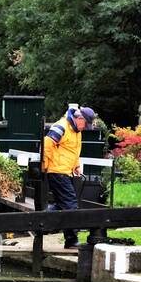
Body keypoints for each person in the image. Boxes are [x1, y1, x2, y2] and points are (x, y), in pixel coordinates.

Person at [43, 105, 95, 250]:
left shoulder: (76, 130)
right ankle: (71, 241)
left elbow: (73, 150)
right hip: (57, 171)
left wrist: (76, 165)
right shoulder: (61, 126)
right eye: (86, 124)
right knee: (71, 204)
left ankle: (38, 222)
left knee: (62, 205)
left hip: (66, 171)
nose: (86, 127)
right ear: (79, 119)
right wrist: (45, 166)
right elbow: (47, 144)